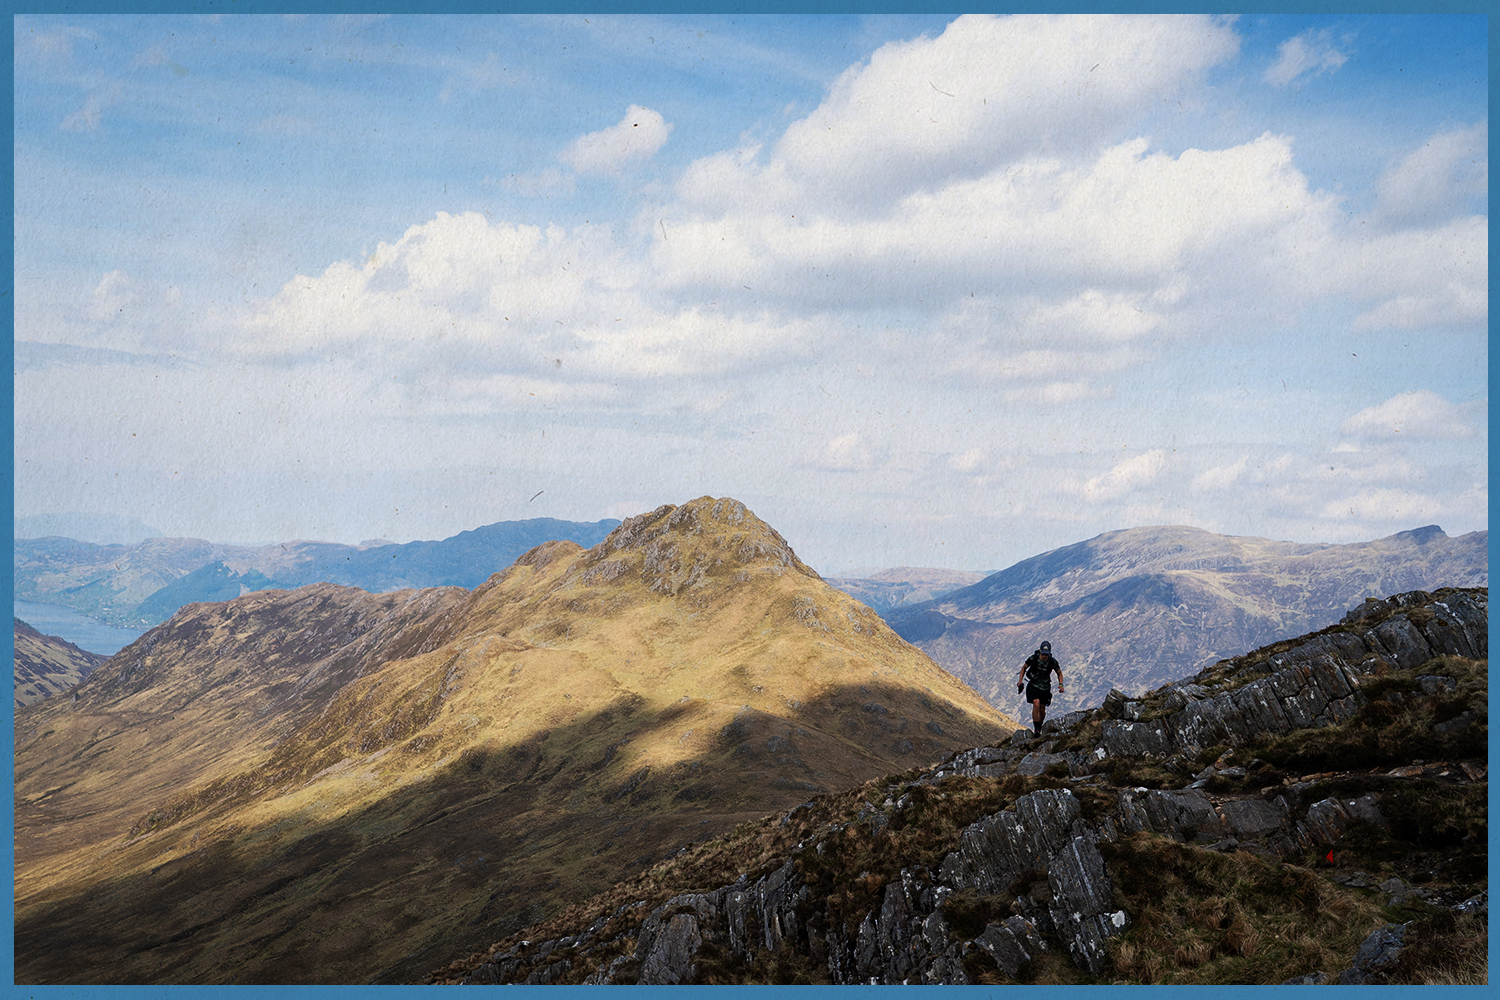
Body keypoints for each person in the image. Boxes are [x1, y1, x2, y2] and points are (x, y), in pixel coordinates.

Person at [1016, 640, 1065, 734]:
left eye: (1046, 654)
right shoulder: (1033, 658)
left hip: (1045, 687)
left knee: (1042, 709)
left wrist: (1061, 684)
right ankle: (1037, 729)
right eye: (1043, 654)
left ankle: (1040, 726)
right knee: (1036, 703)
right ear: (1040, 651)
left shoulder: (1052, 662)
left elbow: (1059, 673)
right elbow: (1024, 668)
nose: (1044, 656)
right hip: (1033, 685)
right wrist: (1020, 681)